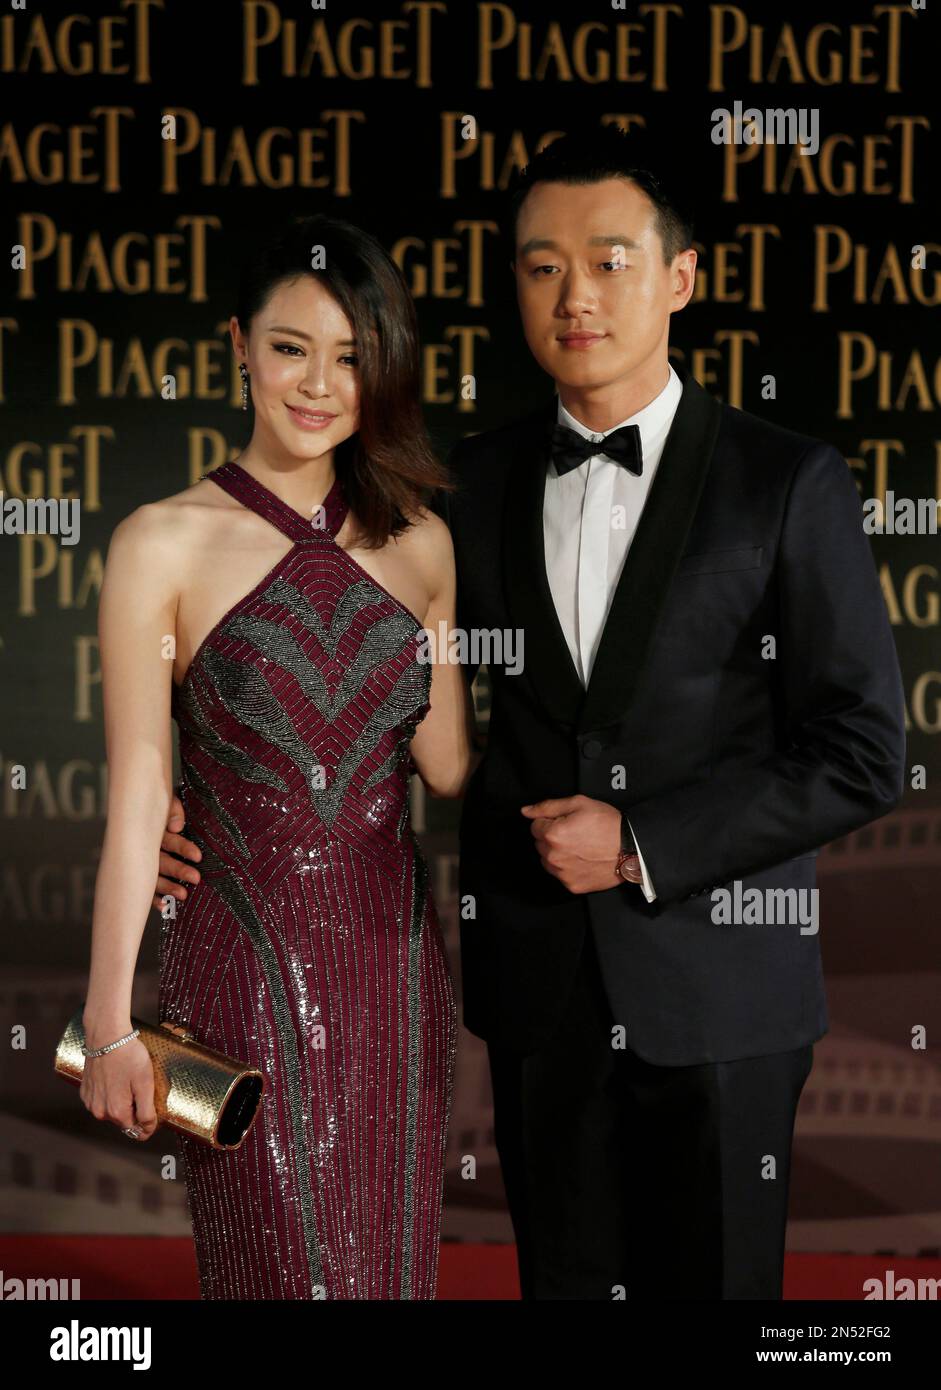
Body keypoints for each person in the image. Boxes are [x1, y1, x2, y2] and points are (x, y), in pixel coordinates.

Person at [157, 127, 906, 1300]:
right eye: (541, 265)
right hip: (541, 992)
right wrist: (189, 813)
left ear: (680, 278)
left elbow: (863, 752)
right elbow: (342, 674)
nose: (575, 295)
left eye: (609, 260)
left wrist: (642, 843)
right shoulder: (469, 483)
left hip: (720, 994)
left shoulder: (785, 480)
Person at [80, 213, 477, 1300]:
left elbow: (448, 767)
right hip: (238, 966)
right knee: (281, 1270)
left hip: (394, 971)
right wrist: (109, 1019)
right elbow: (136, 795)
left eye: (352, 356)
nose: (319, 383)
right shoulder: (159, 541)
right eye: (292, 347)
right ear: (238, 347)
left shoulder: (423, 544)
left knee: (388, 1274)